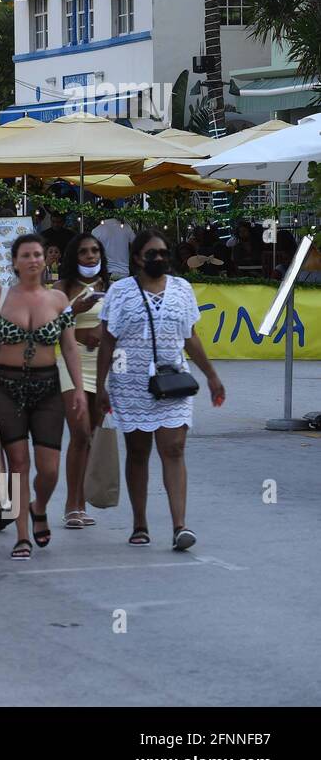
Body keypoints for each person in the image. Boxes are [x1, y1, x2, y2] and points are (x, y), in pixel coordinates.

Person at [97, 229, 225, 552]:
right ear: (138, 258)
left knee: (174, 449)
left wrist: (211, 375)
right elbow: (107, 342)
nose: (159, 258)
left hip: (174, 381)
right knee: (138, 453)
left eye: (164, 253)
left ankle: (179, 526)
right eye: (152, 253)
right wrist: (100, 387)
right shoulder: (120, 292)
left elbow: (190, 336)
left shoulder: (182, 289)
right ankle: (140, 523)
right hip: (130, 384)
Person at [0, 233, 86, 559]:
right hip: (6, 385)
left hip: (47, 386)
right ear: (15, 261)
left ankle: (39, 507)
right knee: (19, 463)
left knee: (49, 469)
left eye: (38, 254)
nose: (33, 260)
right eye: (26, 255)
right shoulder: (0, 296)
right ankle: (22, 535)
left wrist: (78, 388)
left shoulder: (58, 300)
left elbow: (68, 346)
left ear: (45, 259)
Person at [55, 232, 111, 529]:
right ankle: (70, 505)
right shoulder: (62, 288)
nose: (91, 257)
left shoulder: (108, 286)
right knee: (79, 432)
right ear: (73, 257)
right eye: (84, 252)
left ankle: (82, 502)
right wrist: (74, 314)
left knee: (92, 436)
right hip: (70, 362)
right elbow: (48, 325)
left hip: (101, 366)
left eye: (95, 251)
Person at [92, 210, 135, 279]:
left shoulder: (97, 230)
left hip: (107, 272)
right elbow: (136, 244)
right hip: (125, 272)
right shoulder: (126, 227)